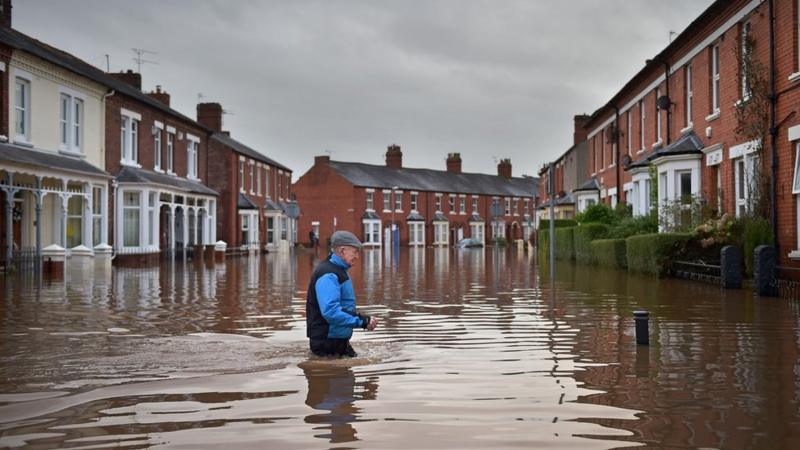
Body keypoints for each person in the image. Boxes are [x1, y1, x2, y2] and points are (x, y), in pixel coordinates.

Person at [306, 230, 378, 357]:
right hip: (327, 342)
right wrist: (362, 321)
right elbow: (331, 311)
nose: (357, 256)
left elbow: (344, 306)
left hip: (336, 340)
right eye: (355, 252)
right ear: (342, 251)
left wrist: (362, 319)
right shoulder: (329, 274)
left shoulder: (338, 270)